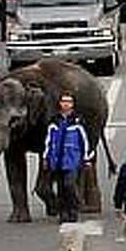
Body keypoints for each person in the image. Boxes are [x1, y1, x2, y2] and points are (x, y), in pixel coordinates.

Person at [43, 92, 91, 223]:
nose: (66, 104)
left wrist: (86, 158)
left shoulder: (78, 121)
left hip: (72, 159)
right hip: (57, 159)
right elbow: (48, 140)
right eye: (64, 101)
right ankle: (63, 213)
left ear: (73, 104)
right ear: (60, 103)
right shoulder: (54, 121)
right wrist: (46, 158)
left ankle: (73, 209)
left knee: (69, 184)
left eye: (69, 101)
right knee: (60, 188)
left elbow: (84, 140)